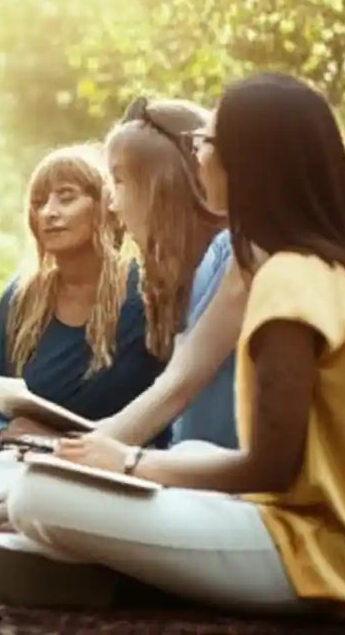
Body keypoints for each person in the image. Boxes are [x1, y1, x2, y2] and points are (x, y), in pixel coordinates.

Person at [0, 73, 345, 615]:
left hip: (314, 555)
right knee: (184, 455)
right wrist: (94, 452)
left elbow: (270, 468)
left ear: (248, 160)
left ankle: (121, 575)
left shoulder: (289, 279)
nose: (198, 155)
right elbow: (184, 378)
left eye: (207, 142)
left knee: (37, 495)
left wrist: (130, 463)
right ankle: (113, 574)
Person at [0, 144, 164, 544]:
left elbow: (159, 415)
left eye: (66, 197)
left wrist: (59, 441)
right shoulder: (21, 296)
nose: (49, 212)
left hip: (108, 469)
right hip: (18, 462)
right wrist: (15, 435)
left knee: (35, 505)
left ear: (104, 205)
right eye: (39, 202)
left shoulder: (144, 296)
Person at [95, 96, 241, 449]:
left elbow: (178, 390)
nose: (112, 205)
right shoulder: (186, 277)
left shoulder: (232, 254)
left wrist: (71, 451)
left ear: (163, 188)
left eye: (119, 181)